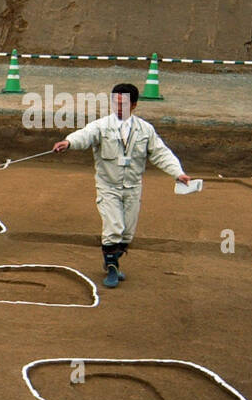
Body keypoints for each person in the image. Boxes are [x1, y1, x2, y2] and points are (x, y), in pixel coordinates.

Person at [51, 83, 192, 288]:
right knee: (114, 228)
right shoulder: (101, 126)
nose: (118, 107)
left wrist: (178, 173)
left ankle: (113, 262)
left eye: (123, 104)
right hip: (108, 186)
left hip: (133, 187)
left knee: (127, 234)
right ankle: (111, 267)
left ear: (134, 105)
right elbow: (85, 135)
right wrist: (68, 142)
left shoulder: (145, 129)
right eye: (115, 103)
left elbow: (161, 153)